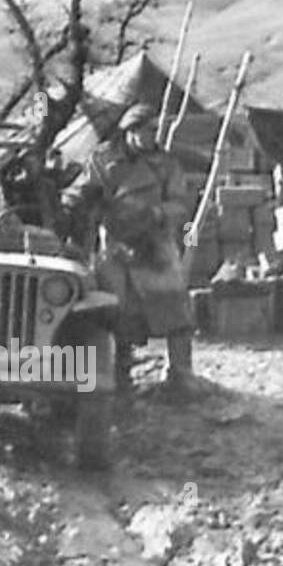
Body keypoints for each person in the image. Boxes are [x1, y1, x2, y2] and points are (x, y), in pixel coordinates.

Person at [59, 102, 198, 396]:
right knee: (114, 311)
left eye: (154, 130)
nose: (151, 136)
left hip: (155, 244)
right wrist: (72, 202)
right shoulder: (104, 158)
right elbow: (83, 187)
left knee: (174, 308)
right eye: (145, 130)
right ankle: (120, 376)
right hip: (115, 243)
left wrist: (158, 214)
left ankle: (180, 375)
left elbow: (181, 204)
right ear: (130, 131)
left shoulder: (167, 164)